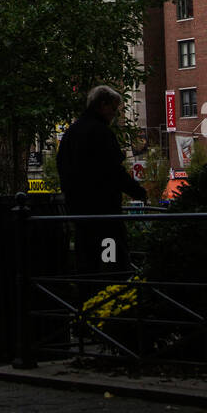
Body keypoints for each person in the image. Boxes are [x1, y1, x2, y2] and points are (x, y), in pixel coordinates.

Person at [57, 85, 147, 279]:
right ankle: (111, 296)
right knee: (111, 261)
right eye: (113, 109)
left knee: (86, 263)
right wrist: (138, 192)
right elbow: (114, 171)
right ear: (102, 105)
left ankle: (88, 301)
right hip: (106, 215)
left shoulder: (71, 134)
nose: (114, 115)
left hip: (80, 214)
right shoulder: (101, 133)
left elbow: (62, 168)